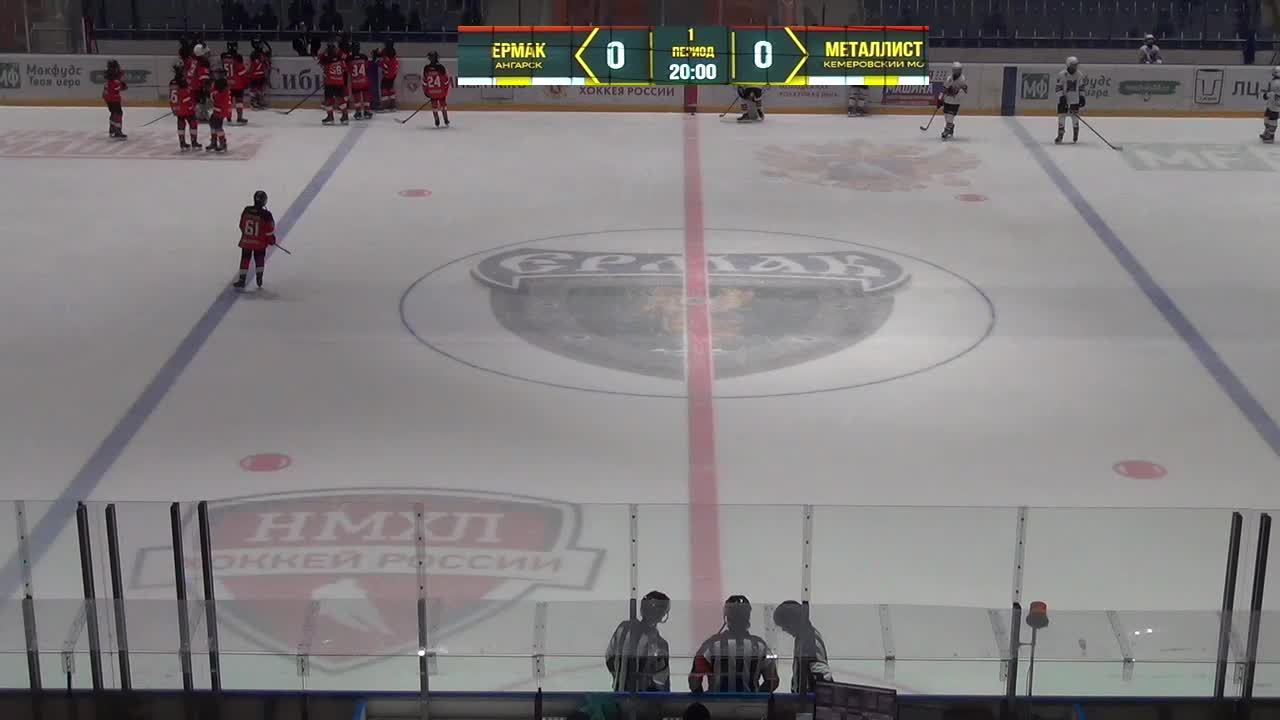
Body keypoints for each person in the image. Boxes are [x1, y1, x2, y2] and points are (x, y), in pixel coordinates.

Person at [688, 595, 778, 693]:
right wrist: (755, 697)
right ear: (748, 617)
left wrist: (705, 700)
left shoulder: (711, 644)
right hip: (751, 703)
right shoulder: (759, 645)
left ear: (727, 616)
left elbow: (694, 681)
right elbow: (772, 680)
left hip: (717, 702)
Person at [605, 591, 671, 692]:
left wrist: (621, 677)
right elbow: (661, 681)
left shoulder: (623, 629)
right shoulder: (660, 644)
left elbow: (610, 659)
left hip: (621, 695)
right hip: (643, 699)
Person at [772, 601, 831, 694]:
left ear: (792, 621)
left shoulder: (809, 638)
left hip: (810, 699)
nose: (784, 629)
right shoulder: (802, 638)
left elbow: (822, 674)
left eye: (784, 624)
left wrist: (816, 697)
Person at [235, 191, 277, 289]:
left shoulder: (247, 210)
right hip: (260, 243)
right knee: (259, 258)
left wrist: (247, 235)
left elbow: (241, 225)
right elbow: (269, 231)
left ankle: (242, 279)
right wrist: (271, 240)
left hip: (246, 241)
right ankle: (259, 279)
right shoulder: (266, 215)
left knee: (245, 259)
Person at [169, 64, 200, 151]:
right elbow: (185, 96)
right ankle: (194, 142)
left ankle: (182, 143)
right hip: (185, 107)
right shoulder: (183, 82)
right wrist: (192, 106)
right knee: (193, 123)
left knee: (181, 123)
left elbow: (171, 96)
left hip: (176, 107)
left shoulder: (172, 82)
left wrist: (174, 107)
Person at [1055, 56, 1085, 144]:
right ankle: (1060, 133)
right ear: (1068, 65)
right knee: (1061, 116)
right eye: (1073, 65)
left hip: (1074, 99)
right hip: (1063, 99)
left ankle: (1075, 132)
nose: (1075, 67)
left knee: (1075, 117)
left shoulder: (1079, 74)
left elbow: (1081, 87)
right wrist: (1061, 97)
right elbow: (1058, 87)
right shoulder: (1061, 74)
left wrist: (1082, 97)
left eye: (1076, 65)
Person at [319, 41, 349, 124]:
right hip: (339, 82)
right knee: (340, 99)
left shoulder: (326, 59)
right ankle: (345, 116)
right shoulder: (341, 59)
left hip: (330, 83)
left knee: (328, 100)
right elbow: (345, 69)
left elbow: (321, 61)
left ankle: (330, 117)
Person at [221, 41, 249, 123]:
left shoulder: (223, 56)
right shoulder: (238, 57)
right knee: (239, 101)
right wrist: (246, 82)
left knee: (228, 101)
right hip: (237, 83)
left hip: (227, 83)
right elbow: (241, 72)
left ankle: (228, 117)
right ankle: (239, 117)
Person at [938, 61, 967, 140]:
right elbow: (944, 88)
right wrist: (940, 99)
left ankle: (946, 130)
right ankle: (951, 126)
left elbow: (965, 90)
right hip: (947, 100)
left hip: (955, 101)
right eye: (955, 70)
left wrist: (956, 91)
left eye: (958, 70)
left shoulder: (962, 79)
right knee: (946, 115)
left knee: (950, 117)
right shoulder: (949, 78)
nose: (956, 72)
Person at [423, 50, 450, 127]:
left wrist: (426, 92)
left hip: (431, 92)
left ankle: (436, 120)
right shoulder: (441, 67)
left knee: (434, 106)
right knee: (443, 105)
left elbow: (424, 82)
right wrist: (445, 91)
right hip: (441, 92)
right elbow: (446, 81)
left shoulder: (426, 68)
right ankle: (446, 120)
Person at [102, 58, 128, 140]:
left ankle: (112, 129)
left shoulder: (111, 74)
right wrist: (122, 86)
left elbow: (117, 82)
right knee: (118, 113)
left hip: (108, 97)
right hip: (112, 98)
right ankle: (117, 131)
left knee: (114, 112)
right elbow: (116, 87)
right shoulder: (113, 76)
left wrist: (121, 84)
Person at [347, 41, 372, 119]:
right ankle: (367, 111)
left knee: (357, 97)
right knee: (366, 96)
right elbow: (367, 67)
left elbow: (348, 69)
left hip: (355, 81)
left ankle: (358, 112)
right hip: (364, 80)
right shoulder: (364, 57)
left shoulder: (349, 58)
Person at [208, 75, 232, 153]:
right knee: (212, 123)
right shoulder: (224, 91)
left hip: (220, 111)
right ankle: (214, 141)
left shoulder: (221, 93)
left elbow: (213, 98)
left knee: (217, 126)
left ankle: (222, 142)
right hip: (219, 111)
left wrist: (211, 91)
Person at [248, 36, 272, 109]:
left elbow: (270, 51)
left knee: (259, 89)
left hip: (260, 75)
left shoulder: (258, 54)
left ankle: (258, 102)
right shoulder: (256, 54)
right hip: (257, 75)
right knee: (256, 89)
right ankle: (253, 102)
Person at [374, 39, 399, 111]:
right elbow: (382, 54)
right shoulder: (393, 51)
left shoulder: (387, 55)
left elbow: (383, 64)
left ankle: (384, 105)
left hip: (387, 74)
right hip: (393, 74)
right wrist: (378, 53)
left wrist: (376, 60)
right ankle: (392, 105)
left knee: (384, 88)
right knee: (390, 88)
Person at [1261, 66, 1280, 143]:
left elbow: (1274, 94)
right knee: (1267, 116)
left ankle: (1270, 135)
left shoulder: (1277, 82)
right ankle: (1268, 132)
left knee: (1272, 118)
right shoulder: (1275, 81)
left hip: (1276, 103)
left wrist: (1266, 95)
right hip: (1273, 102)